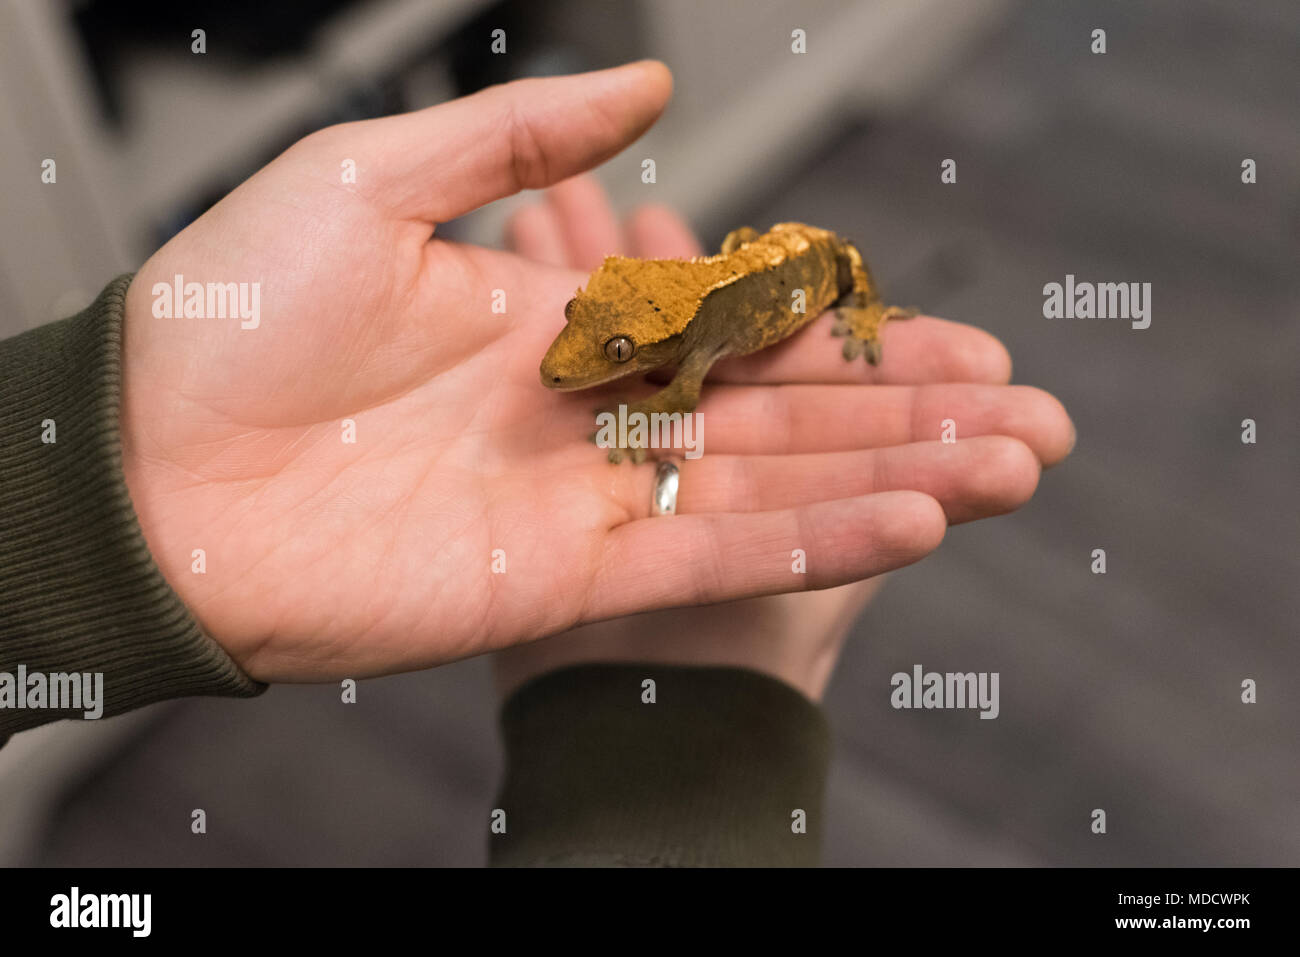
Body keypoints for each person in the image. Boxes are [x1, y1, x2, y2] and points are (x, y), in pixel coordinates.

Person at [0, 61, 1073, 866]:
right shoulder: (647, 304)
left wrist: (629, 423)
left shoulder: (695, 345)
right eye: (589, 332)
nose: (572, 366)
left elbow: (681, 397)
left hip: (806, 263)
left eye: (610, 356)